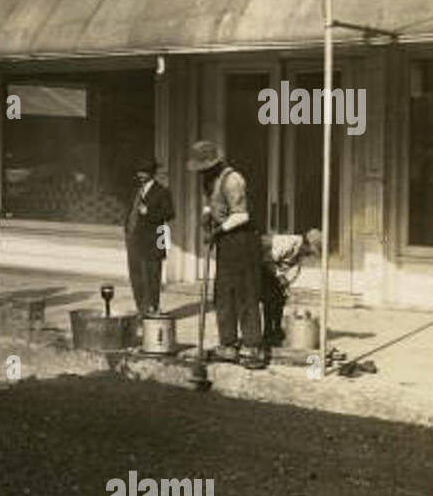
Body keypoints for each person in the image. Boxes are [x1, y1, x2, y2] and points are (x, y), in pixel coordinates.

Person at [187, 140, 265, 370]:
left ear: (214, 163)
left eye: (204, 166)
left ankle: (253, 347)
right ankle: (228, 344)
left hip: (243, 240)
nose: (201, 171)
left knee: (245, 293)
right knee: (223, 293)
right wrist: (206, 218)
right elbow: (211, 205)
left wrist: (218, 231)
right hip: (225, 242)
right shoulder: (208, 180)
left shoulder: (233, 179)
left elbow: (242, 215)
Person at [124, 158, 175, 315]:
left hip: (153, 239)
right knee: (136, 276)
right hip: (134, 239)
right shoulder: (135, 190)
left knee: (152, 276)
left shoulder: (162, 191)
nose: (140, 175)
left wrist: (149, 213)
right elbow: (130, 211)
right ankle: (141, 309)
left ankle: (152, 308)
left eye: (144, 172)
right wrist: (126, 228)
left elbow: (170, 214)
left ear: (152, 173)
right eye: (139, 172)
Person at [261, 228, 323, 348]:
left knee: (280, 298)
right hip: (261, 262)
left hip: (274, 268)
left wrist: (286, 283)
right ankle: (268, 332)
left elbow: (289, 268)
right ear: (306, 243)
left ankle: (277, 330)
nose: (309, 255)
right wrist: (280, 277)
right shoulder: (288, 243)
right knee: (270, 299)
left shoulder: (299, 251)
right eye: (310, 252)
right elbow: (268, 259)